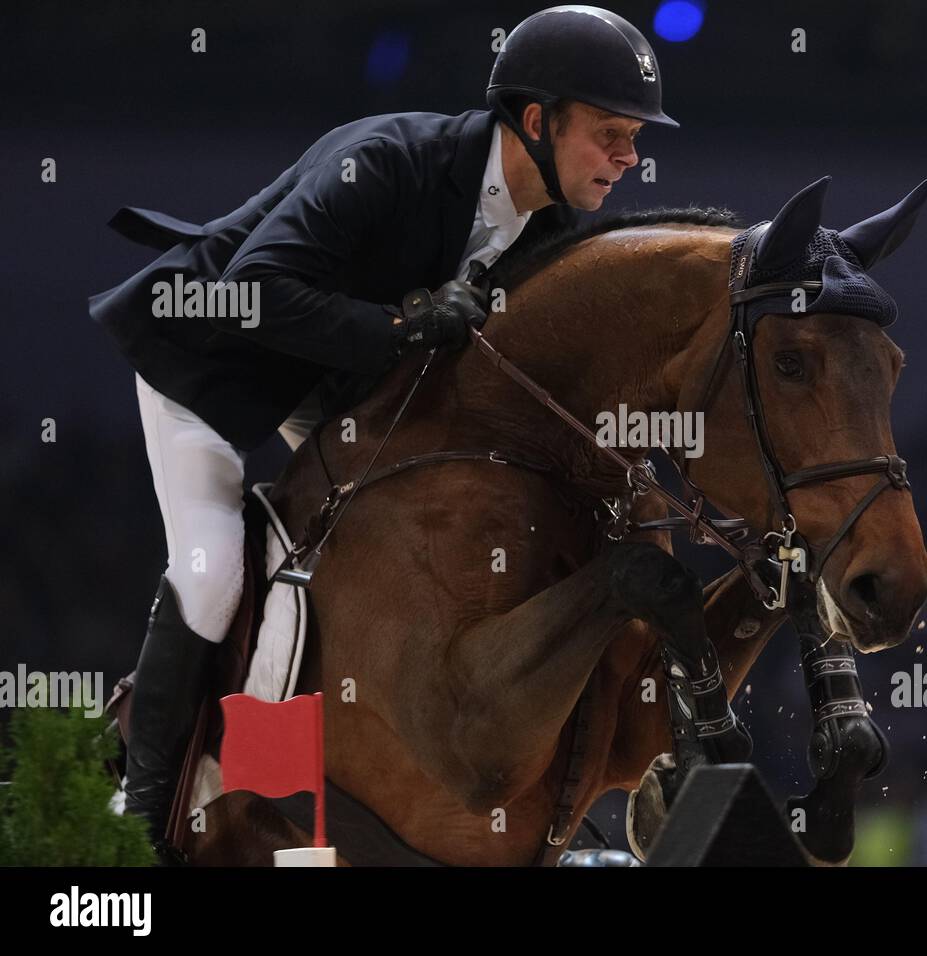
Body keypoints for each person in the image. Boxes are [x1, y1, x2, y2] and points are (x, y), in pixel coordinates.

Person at [87, 4, 678, 862]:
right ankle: (138, 825)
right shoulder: (390, 159)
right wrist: (403, 326)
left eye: (635, 137)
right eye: (613, 132)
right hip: (213, 361)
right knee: (213, 572)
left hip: (332, 384)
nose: (631, 155)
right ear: (538, 121)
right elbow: (255, 288)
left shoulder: (553, 234)